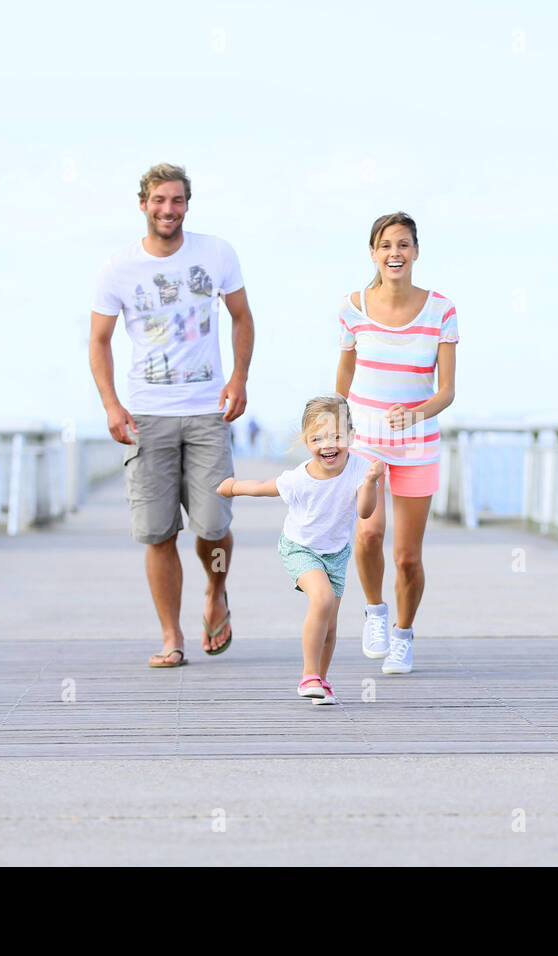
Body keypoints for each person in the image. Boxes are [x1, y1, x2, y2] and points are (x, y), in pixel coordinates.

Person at [89, 163, 255, 667]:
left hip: (208, 411)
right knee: (158, 532)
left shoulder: (217, 252)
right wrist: (112, 406)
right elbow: (98, 341)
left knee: (212, 524)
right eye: (159, 200)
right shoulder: (118, 268)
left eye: (177, 200)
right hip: (147, 416)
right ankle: (171, 637)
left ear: (187, 204)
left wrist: (238, 379)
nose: (168, 209)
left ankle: (215, 591)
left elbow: (242, 317)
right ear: (143, 203)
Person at [335, 212, 458, 675]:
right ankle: (375, 613)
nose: (395, 253)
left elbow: (446, 390)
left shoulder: (441, 310)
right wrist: (338, 431)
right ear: (373, 252)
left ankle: (403, 636)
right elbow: (344, 376)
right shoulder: (352, 307)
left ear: (416, 252)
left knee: (407, 557)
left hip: (417, 443)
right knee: (368, 533)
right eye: (386, 245)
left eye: (404, 245)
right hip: (365, 438)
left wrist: (416, 414)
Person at [217, 395, 382, 704]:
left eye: (336, 436)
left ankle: (321, 679)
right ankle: (308, 674)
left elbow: (364, 511)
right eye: (317, 438)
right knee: (321, 599)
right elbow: (262, 488)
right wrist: (233, 487)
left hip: (336, 553)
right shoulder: (299, 478)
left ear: (352, 436)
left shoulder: (360, 467)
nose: (327, 444)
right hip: (300, 548)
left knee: (330, 624)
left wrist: (371, 482)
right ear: (306, 442)